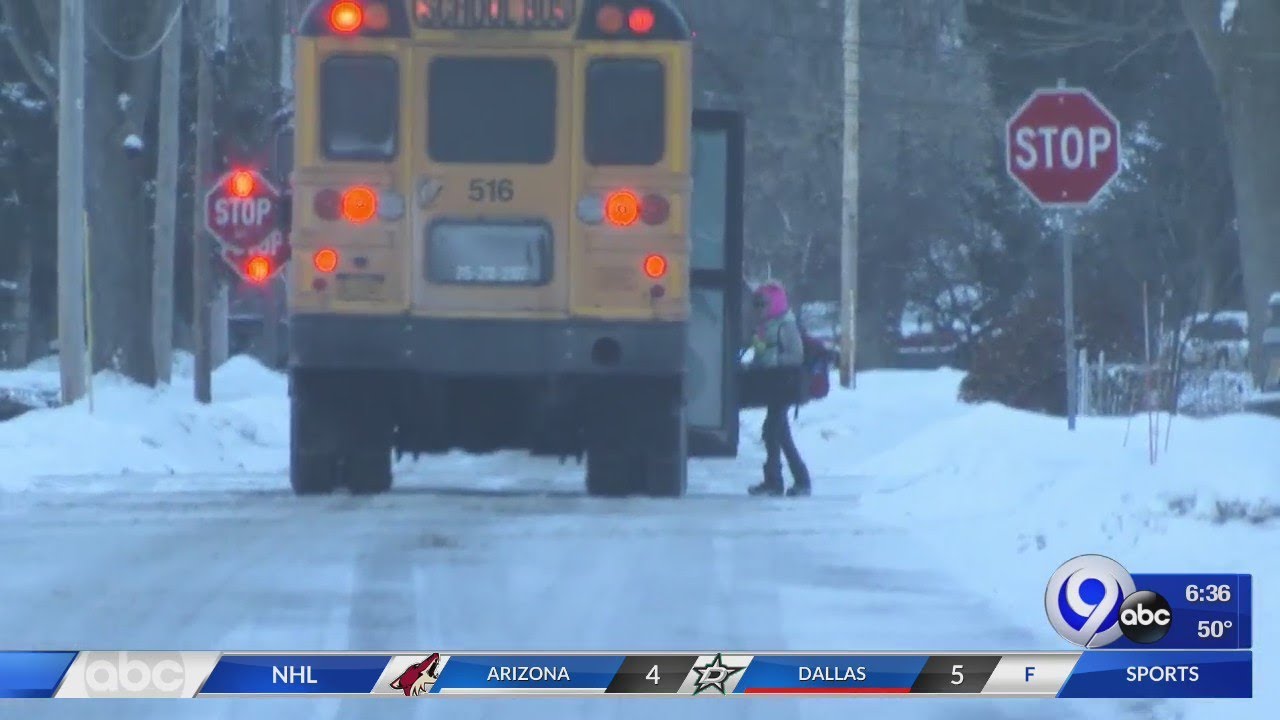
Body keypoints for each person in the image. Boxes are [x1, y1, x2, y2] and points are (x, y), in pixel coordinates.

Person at [746, 281, 812, 497]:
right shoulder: (766, 326)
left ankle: (780, 481)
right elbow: (762, 353)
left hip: (785, 385)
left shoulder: (786, 325)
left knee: (773, 431)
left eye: (762, 304)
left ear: (774, 303)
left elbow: (796, 355)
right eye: (756, 304)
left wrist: (773, 360)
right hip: (773, 385)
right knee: (778, 433)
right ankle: (793, 480)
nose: (758, 309)